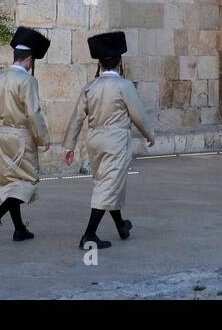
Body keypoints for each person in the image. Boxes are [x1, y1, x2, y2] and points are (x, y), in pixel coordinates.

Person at [63, 31, 155, 250]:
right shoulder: (124, 86)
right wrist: (149, 134)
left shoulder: (90, 87)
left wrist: (69, 146)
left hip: (94, 139)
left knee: (108, 182)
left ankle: (121, 226)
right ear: (119, 61)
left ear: (100, 63)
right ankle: (89, 235)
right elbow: (138, 114)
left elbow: (76, 117)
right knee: (107, 185)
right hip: (116, 139)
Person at [0, 27, 51, 243]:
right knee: (27, 182)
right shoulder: (27, 81)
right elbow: (32, 113)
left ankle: (19, 229)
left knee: (11, 182)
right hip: (21, 137)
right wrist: (43, 138)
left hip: (3, 134)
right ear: (28, 59)